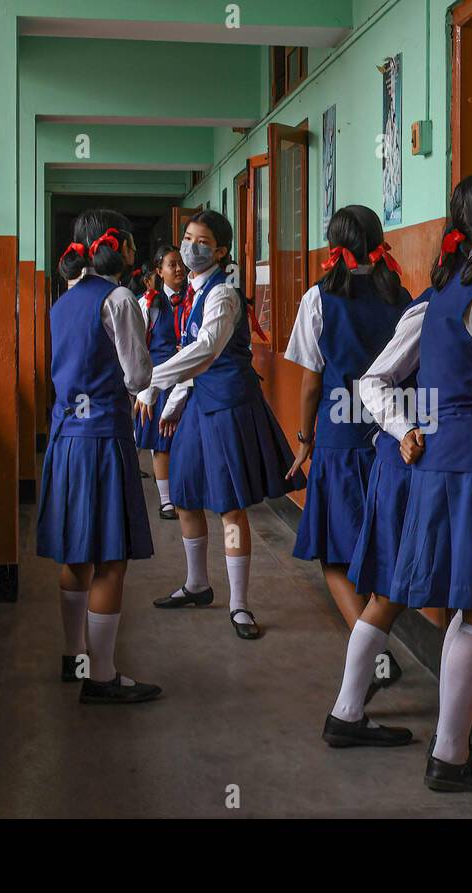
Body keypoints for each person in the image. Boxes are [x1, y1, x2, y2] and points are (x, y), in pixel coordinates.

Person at [352, 174, 472, 790]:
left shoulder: (438, 297)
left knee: (466, 599)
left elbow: (373, 381)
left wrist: (407, 425)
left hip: (439, 466)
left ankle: (453, 747)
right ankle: (451, 755)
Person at [137, 211, 306, 640]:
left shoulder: (224, 294)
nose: (192, 247)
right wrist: (174, 403)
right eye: (188, 238)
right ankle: (197, 584)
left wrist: (150, 383)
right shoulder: (190, 293)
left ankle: (239, 605)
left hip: (230, 405)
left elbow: (207, 350)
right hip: (198, 403)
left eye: (203, 240)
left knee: (229, 505)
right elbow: (192, 360)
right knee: (187, 494)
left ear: (221, 250)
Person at [38, 209, 161, 705]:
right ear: (121, 246)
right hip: (105, 439)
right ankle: (104, 676)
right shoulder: (120, 298)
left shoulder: (63, 301)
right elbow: (138, 378)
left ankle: (76, 657)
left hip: (66, 438)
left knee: (76, 555)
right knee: (111, 559)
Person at [284, 205, 411, 643]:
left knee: (335, 554)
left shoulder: (318, 298)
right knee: (382, 546)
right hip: (391, 438)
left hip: (339, 438)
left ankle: (369, 651)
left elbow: (309, 382)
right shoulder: (401, 297)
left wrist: (305, 440)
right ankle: (373, 644)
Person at [134, 244, 189, 519]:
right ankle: (167, 500)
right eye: (171, 264)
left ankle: (188, 492)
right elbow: (138, 345)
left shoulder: (193, 298)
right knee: (162, 441)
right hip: (159, 381)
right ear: (159, 271)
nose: (179, 268)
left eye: (180, 263)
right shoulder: (150, 303)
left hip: (188, 378)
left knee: (186, 438)